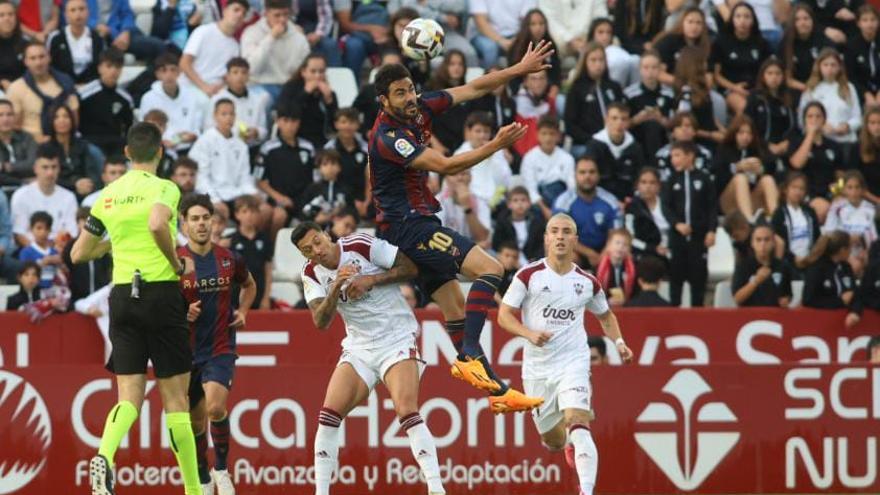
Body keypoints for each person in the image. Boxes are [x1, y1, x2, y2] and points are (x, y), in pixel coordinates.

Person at [367, 43, 554, 413]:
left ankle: (496, 390)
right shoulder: (388, 137)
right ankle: (469, 354)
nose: (409, 98)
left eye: (410, 89)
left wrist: (519, 68)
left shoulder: (419, 107)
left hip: (420, 221)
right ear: (383, 101)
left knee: (455, 309)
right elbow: (447, 166)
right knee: (492, 269)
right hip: (407, 228)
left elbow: (474, 88)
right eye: (400, 93)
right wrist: (496, 145)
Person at [69, 122, 202, 495]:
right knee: (176, 400)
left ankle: (104, 455)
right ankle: (193, 490)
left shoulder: (108, 194)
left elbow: (78, 253)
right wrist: (176, 263)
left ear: (127, 154)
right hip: (160, 293)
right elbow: (159, 223)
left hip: (123, 296)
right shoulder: (165, 187)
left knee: (128, 396)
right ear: (160, 151)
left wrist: (115, 245)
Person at [292, 222, 446, 495]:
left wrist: (371, 279)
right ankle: (321, 492)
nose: (317, 250)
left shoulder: (361, 245)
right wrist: (336, 286)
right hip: (359, 346)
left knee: (406, 410)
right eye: (308, 250)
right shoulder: (311, 273)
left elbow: (410, 268)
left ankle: (436, 488)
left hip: (396, 338)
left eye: (318, 241)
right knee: (328, 415)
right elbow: (320, 321)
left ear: (327, 235)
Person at [497, 212, 633, 495]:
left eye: (566, 232)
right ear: (546, 238)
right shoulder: (528, 275)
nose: (560, 236)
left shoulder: (587, 282)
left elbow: (606, 316)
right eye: (555, 231)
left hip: (573, 361)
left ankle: (586, 490)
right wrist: (528, 333)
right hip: (537, 368)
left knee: (577, 420)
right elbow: (504, 315)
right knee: (554, 441)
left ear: (575, 240)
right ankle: (567, 444)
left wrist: (619, 342)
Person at [177, 194, 256, 495]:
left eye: (205, 218)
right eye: (194, 219)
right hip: (186, 353)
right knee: (196, 424)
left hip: (220, 348)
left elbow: (249, 285)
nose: (200, 224)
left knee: (215, 407)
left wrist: (245, 311)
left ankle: (221, 470)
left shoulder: (230, 259)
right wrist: (184, 313)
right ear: (184, 224)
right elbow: (165, 307)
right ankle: (202, 475)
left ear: (214, 222)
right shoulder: (176, 261)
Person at [663, 140, 717, 307]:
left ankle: (698, 315)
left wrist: (711, 230)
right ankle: (674, 314)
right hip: (677, 239)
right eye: (672, 156)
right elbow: (665, 206)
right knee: (676, 279)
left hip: (698, 238)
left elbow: (712, 207)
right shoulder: (671, 180)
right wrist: (676, 224)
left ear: (690, 156)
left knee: (698, 279)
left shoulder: (704, 178)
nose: (674, 160)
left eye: (677, 155)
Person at [190, 98, 260, 220]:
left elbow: (244, 176)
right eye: (224, 114)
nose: (228, 118)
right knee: (223, 212)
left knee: (263, 209)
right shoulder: (205, 141)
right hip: (213, 194)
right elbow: (200, 176)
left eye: (232, 114)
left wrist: (252, 193)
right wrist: (214, 199)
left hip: (236, 194)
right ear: (215, 116)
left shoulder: (241, 145)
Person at [257, 102, 315, 237]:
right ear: (278, 121)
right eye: (285, 121)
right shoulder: (268, 148)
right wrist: (280, 198)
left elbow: (315, 178)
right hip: (279, 200)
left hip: (304, 200)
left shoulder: (308, 148)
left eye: (294, 121)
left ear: (299, 122)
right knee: (279, 216)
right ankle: (271, 251)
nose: (290, 125)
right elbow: (259, 181)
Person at [553, 156, 619, 269]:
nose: (587, 176)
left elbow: (615, 234)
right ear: (575, 175)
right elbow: (561, 236)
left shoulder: (610, 201)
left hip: (604, 250)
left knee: (618, 251)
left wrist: (604, 254)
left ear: (598, 175)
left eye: (592, 172)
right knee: (567, 256)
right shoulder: (563, 202)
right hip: (575, 249)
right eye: (582, 172)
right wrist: (590, 254)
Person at [797, 48, 862, 162]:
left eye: (833, 65)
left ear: (839, 67)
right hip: (822, 144)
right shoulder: (811, 90)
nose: (829, 69)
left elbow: (857, 117)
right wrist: (820, 127)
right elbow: (802, 120)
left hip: (847, 142)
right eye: (825, 65)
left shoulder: (849, 88)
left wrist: (847, 126)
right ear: (819, 66)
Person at [6, 42, 78, 142]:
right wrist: (37, 139)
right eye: (33, 58)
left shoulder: (65, 82)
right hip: (30, 144)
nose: (38, 63)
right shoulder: (16, 88)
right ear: (26, 62)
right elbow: (14, 126)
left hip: (63, 141)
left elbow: (74, 118)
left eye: (42, 57)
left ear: (49, 58)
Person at [241, 0, 309, 103]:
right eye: (277, 15)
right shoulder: (251, 33)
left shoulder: (298, 37)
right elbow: (251, 69)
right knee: (262, 100)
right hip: (259, 85)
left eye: (286, 14)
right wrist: (271, 38)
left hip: (288, 86)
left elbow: (304, 68)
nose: (282, 19)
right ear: (266, 14)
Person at [712, 115, 779, 221]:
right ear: (734, 133)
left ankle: (776, 219)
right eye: (741, 133)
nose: (745, 137)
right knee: (740, 178)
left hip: (751, 198)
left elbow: (772, 165)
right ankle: (749, 222)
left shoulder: (757, 149)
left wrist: (761, 170)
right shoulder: (724, 149)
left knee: (768, 180)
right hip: (728, 201)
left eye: (749, 133)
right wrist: (736, 167)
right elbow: (717, 176)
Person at [564, 42, 625, 158]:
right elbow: (570, 125)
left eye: (601, 60)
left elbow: (623, 116)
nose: (598, 64)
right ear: (585, 62)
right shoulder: (577, 88)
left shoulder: (614, 87)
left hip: (614, 141)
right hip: (586, 143)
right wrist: (592, 140)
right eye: (593, 60)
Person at [788, 101, 845, 223]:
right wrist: (810, 135)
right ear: (804, 120)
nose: (814, 119)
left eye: (818, 116)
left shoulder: (833, 146)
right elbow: (797, 164)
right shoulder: (796, 142)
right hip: (807, 193)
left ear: (824, 120)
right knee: (823, 209)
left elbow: (840, 176)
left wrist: (838, 192)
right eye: (810, 116)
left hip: (830, 192)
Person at [10, 144, 77, 247]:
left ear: (59, 169)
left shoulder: (69, 197)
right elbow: (19, 234)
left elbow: (72, 233)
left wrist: (55, 251)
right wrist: (42, 252)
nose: (50, 173)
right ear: (35, 169)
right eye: (45, 167)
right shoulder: (21, 196)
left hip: (61, 253)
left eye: (54, 167)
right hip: (31, 255)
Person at [711, 2, 772, 115]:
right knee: (746, 109)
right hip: (730, 89)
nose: (742, 20)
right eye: (738, 16)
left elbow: (768, 70)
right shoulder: (721, 42)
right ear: (732, 19)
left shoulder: (761, 43)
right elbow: (716, 75)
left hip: (756, 89)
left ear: (753, 20)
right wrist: (734, 87)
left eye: (747, 16)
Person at [179, 0, 248, 97]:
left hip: (216, 95)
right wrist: (204, 87)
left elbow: (227, 77)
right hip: (189, 88)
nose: (239, 15)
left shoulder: (235, 47)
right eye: (236, 10)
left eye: (243, 14)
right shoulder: (203, 31)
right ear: (224, 11)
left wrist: (217, 89)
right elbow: (184, 63)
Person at [139, 53, 204, 153]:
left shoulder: (192, 96)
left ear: (179, 72)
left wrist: (185, 138)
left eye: (173, 70)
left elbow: (197, 129)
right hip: (158, 150)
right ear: (157, 74)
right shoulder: (148, 98)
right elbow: (145, 129)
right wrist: (162, 142)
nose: (169, 75)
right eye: (164, 70)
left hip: (188, 149)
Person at [77, 48, 134, 156]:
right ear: (100, 68)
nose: (113, 71)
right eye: (109, 66)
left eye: (117, 67)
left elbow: (129, 127)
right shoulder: (84, 94)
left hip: (115, 144)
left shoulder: (125, 98)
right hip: (89, 142)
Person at [586, 102, 646, 201]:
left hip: (628, 199)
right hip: (599, 199)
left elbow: (639, 177)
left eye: (624, 119)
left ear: (628, 122)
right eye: (614, 118)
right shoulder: (594, 145)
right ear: (606, 120)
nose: (619, 123)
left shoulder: (635, 147)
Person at [823, 170, 877, 276]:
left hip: (864, 253)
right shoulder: (837, 207)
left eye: (857, 187)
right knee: (855, 266)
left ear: (862, 190)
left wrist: (867, 253)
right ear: (844, 189)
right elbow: (829, 235)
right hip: (843, 254)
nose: (854, 192)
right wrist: (848, 240)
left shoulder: (869, 208)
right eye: (850, 187)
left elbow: (873, 237)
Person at [519, 114, 575, 219]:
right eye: (544, 134)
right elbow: (530, 188)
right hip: (539, 203)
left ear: (558, 136)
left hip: (561, 199)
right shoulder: (529, 158)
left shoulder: (567, 158)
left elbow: (571, 186)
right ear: (537, 135)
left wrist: (559, 209)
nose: (548, 138)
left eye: (552, 134)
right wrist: (545, 209)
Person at [207, 57, 269, 149]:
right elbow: (208, 128)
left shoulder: (257, 100)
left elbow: (263, 130)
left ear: (248, 76)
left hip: (251, 149)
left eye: (244, 72)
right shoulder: (217, 99)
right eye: (235, 72)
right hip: (224, 148)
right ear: (227, 76)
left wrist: (256, 132)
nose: (240, 76)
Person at [453, 110, 512, 209]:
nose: (482, 136)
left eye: (486, 131)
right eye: (478, 131)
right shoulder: (460, 154)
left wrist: (492, 157)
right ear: (469, 132)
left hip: (497, 205)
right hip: (472, 203)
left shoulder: (497, 151)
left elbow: (505, 182)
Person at [278, 54, 338, 148]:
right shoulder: (290, 89)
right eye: (313, 71)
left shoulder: (328, 93)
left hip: (320, 141)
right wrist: (305, 94)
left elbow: (335, 125)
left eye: (321, 71)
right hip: (295, 139)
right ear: (303, 72)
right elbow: (286, 114)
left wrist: (329, 102)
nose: (317, 76)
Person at [802, 231, 860, 326]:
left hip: (844, 324)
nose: (851, 251)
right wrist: (840, 301)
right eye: (850, 247)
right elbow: (809, 300)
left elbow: (854, 294)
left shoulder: (846, 267)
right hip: (819, 323)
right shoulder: (817, 268)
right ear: (842, 250)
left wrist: (855, 312)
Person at [625, 50, 674, 158]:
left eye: (654, 67)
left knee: (653, 126)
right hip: (636, 138)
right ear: (640, 69)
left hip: (663, 139)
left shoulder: (669, 94)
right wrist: (637, 119)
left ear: (660, 69)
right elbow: (623, 123)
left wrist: (660, 119)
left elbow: (675, 123)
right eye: (646, 67)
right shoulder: (629, 94)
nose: (650, 72)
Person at [745, 58, 796, 161]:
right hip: (760, 146)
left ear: (783, 76)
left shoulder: (790, 97)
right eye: (770, 73)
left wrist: (787, 142)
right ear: (763, 76)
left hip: (785, 146)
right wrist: (767, 145)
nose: (774, 77)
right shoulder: (755, 97)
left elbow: (795, 127)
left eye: (778, 74)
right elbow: (749, 125)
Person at [771, 171, 821, 274]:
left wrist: (811, 257)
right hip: (789, 262)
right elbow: (778, 242)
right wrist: (793, 258)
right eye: (794, 187)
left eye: (801, 189)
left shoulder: (810, 212)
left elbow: (817, 237)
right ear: (786, 189)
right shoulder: (779, 214)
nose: (798, 192)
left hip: (810, 261)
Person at [83, 0, 167, 61]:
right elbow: (72, 15)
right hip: (92, 35)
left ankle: (149, 82)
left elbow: (127, 14)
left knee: (158, 46)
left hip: (119, 34)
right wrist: (95, 25)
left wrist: (126, 31)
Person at [732, 223, 793, 307]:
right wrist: (756, 281)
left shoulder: (782, 266)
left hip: (774, 316)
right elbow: (737, 299)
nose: (763, 244)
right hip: (749, 315)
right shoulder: (743, 266)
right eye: (758, 240)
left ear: (773, 243)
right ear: (752, 243)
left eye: (767, 240)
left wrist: (786, 300)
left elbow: (787, 295)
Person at [780, 4, 834, 97]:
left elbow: (832, 68)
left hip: (822, 86)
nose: (802, 23)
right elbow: (787, 78)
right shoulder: (786, 44)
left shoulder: (823, 41)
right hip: (797, 89)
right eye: (798, 19)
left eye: (806, 18)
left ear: (812, 20)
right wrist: (805, 88)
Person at [230, 195, 273, 310]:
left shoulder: (265, 239)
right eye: (244, 211)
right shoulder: (231, 240)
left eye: (253, 212)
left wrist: (266, 298)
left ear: (258, 214)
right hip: (236, 296)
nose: (249, 215)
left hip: (259, 293)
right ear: (237, 214)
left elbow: (268, 270)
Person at [47, 0, 104, 84]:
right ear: (66, 14)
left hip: (91, 86)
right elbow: (52, 68)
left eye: (81, 9)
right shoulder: (56, 38)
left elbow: (100, 66)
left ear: (88, 12)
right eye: (73, 10)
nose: (78, 13)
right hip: (63, 87)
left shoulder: (96, 38)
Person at [62, 206, 111, 304]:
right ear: (77, 223)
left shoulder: (102, 245)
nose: (86, 224)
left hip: (100, 299)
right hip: (78, 299)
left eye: (89, 221)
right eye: (83, 220)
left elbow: (106, 270)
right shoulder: (71, 245)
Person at [326, 107, 370, 212]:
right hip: (337, 202)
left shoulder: (367, 149)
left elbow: (371, 178)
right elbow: (326, 181)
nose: (347, 126)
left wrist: (367, 202)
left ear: (358, 125)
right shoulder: (328, 150)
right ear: (336, 124)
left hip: (363, 201)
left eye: (351, 122)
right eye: (343, 122)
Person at [435, 169, 492, 249]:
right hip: (448, 252)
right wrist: (467, 250)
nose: (459, 178)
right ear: (446, 178)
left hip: (473, 253)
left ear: (470, 178)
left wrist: (467, 208)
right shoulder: (437, 202)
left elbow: (483, 238)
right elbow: (438, 238)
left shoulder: (480, 202)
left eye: (464, 174)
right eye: (454, 174)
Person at [652, 8, 711, 86]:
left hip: (696, 88)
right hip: (669, 86)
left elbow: (709, 73)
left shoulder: (706, 44)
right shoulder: (668, 41)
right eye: (690, 22)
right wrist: (683, 84)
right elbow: (659, 73)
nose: (694, 26)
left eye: (698, 23)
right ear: (682, 22)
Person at [508, 9, 563, 94]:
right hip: (522, 92)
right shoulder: (517, 47)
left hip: (547, 92)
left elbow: (556, 70)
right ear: (526, 26)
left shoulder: (550, 44)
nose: (538, 28)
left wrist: (555, 86)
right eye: (533, 24)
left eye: (541, 23)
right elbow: (512, 75)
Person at [468, 0, 534, 69]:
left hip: (517, 34)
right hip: (485, 35)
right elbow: (480, 21)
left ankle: (518, 78)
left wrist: (517, 39)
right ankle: (490, 78)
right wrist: (501, 41)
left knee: (525, 44)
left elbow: (528, 20)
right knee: (490, 48)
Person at [625, 167, 672, 261]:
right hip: (645, 254)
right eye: (644, 182)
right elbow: (630, 237)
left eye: (652, 182)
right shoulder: (632, 207)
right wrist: (652, 249)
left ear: (659, 186)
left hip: (671, 250)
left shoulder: (668, 204)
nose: (648, 187)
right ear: (637, 185)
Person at [653, 111, 714, 182]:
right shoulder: (662, 155)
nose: (684, 129)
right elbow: (662, 182)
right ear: (672, 133)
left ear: (694, 132)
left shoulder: (705, 153)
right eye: (679, 126)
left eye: (688, 126)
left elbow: (708, 180)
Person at [493, 185, 546, 264]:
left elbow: (540, 246)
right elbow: (497, 244)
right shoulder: (502, 222)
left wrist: (534, 260)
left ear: (529, 203)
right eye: (515, 200)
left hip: (531, 262)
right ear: (509, 204)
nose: (520, 203)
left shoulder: (537, 222)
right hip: (508, 261)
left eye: (523, 200)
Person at [299, 149, 354, 226]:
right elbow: (303, 213)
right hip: (317, 230)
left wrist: (340, 214)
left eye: (333, 163)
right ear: (319, 168)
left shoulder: (345, 189)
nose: (330, 167)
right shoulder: (312, 189)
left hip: (340, 230)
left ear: (339, 167)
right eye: (325, 164)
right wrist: (315, 219)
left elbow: (353, 212)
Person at [588, 18, 639, 88]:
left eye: (608, 33)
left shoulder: (616, 50)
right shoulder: (587, 52)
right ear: (593, 35)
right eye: (600, 32)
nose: (605, 36)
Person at [18, 210, 63, 288]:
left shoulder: (54, 252)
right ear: (31, 229)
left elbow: (61, 274)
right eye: (39, 228)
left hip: (54, 293)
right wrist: (43, 262)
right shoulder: (26, 252)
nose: (43, 232)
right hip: (36, 293)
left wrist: (61, 262)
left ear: (50, 230)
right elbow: (24, 274)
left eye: (46, 229)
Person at [846, 5, 880, 107]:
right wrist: (865, 94)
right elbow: (851, 76)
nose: (869, 24)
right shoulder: (851, 46)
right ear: (858, 23)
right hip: (861, 93)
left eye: (873, 20)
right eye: (865, 20)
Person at [0, 98, 37, 186]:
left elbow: (33, 164)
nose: (5, 119)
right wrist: (23, 182)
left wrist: (5, 167)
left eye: (9, 114)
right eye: (0, 115)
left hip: (29, 187)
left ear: (14, 117)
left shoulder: (26, 137)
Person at [595, 228, 637, 305]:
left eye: (625, 245)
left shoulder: (634, 269)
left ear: (629, 249)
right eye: (617, 243)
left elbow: (635, 294)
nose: (620, 247)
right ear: (608, 245)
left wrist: (625, 302)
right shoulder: (597, 267)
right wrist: (608, 302)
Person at [0, 0, 27, 90]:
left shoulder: (25, 44)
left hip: (23, 89)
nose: (7, 18)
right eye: (1, 15)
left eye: (11, 14)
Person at [858, 106, 880, 204]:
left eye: (879, 123)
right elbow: (856, 182)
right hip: (866, 200)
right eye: (872, 123)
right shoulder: (857, 149)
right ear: (866, 125)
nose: (877, 127)